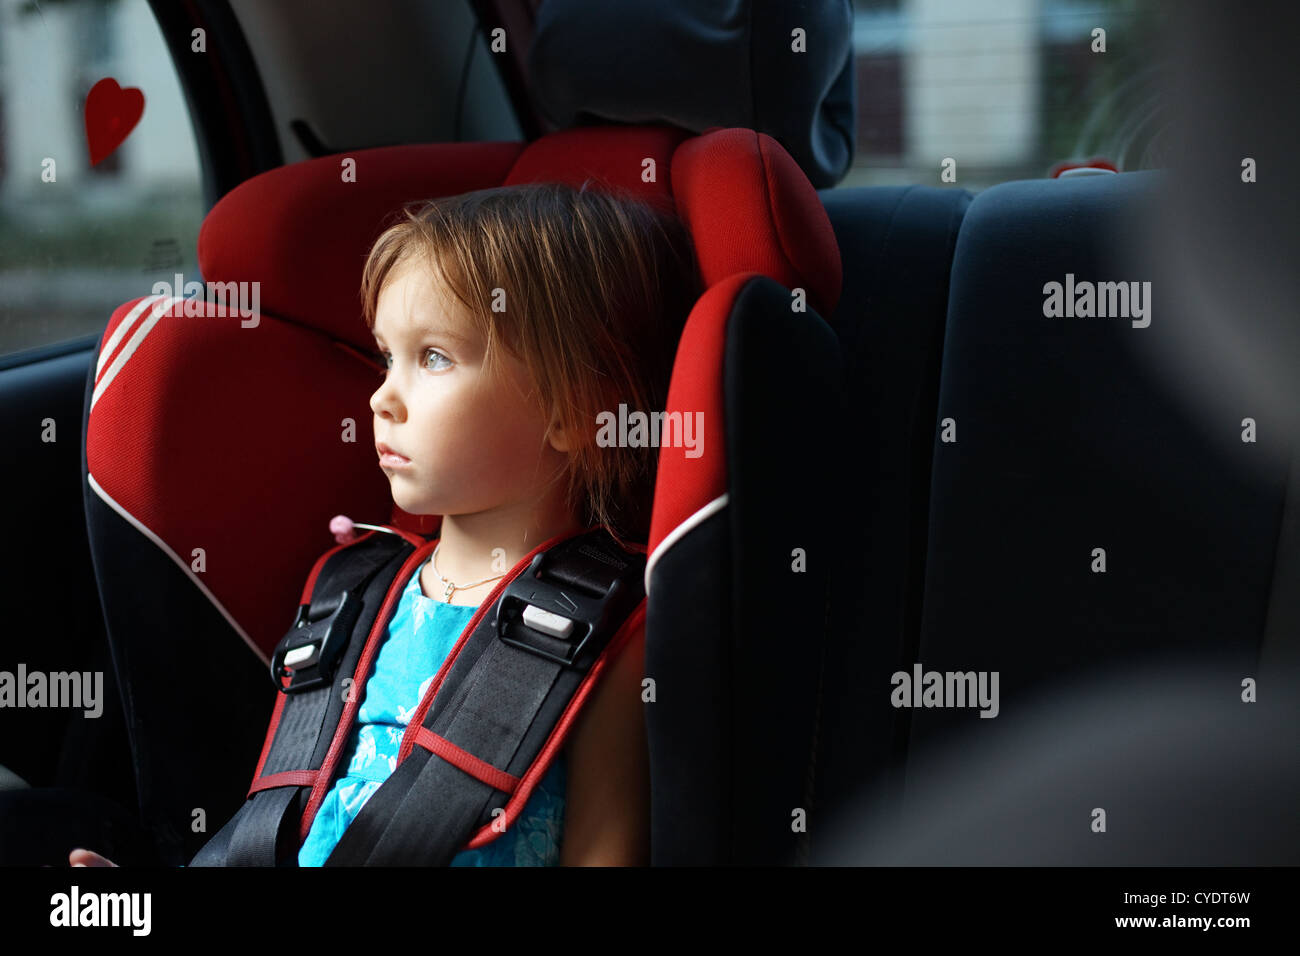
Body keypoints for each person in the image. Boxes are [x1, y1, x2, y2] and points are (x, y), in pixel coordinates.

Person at [69, 180, 701, 867]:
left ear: (573, 409)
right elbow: (296, 815)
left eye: (433, 357)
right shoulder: (356, 590)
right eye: (385, 357)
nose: (381, 397)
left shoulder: (607, 638)